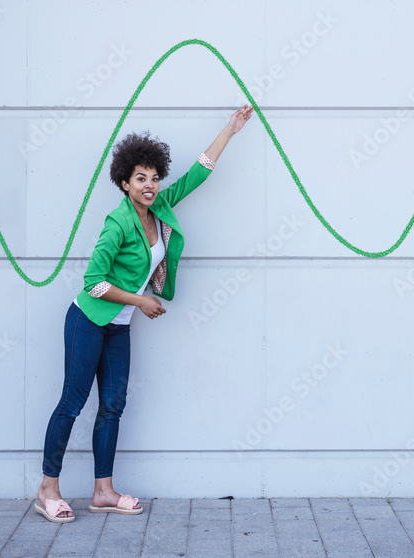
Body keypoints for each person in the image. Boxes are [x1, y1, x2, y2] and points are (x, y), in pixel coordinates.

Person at [34, 105, 254, 522]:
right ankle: (48, 489)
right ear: (125, 183)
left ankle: (103, 491)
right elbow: (93, 283)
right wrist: (140, 301)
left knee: (113, 405)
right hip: (88, 321)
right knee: (72, 403)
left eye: (154, 178)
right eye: (141, 179)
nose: (150, 185)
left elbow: (198, 172)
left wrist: (230, 129)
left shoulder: (159, 208)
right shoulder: (116, 223)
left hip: (118, 328)